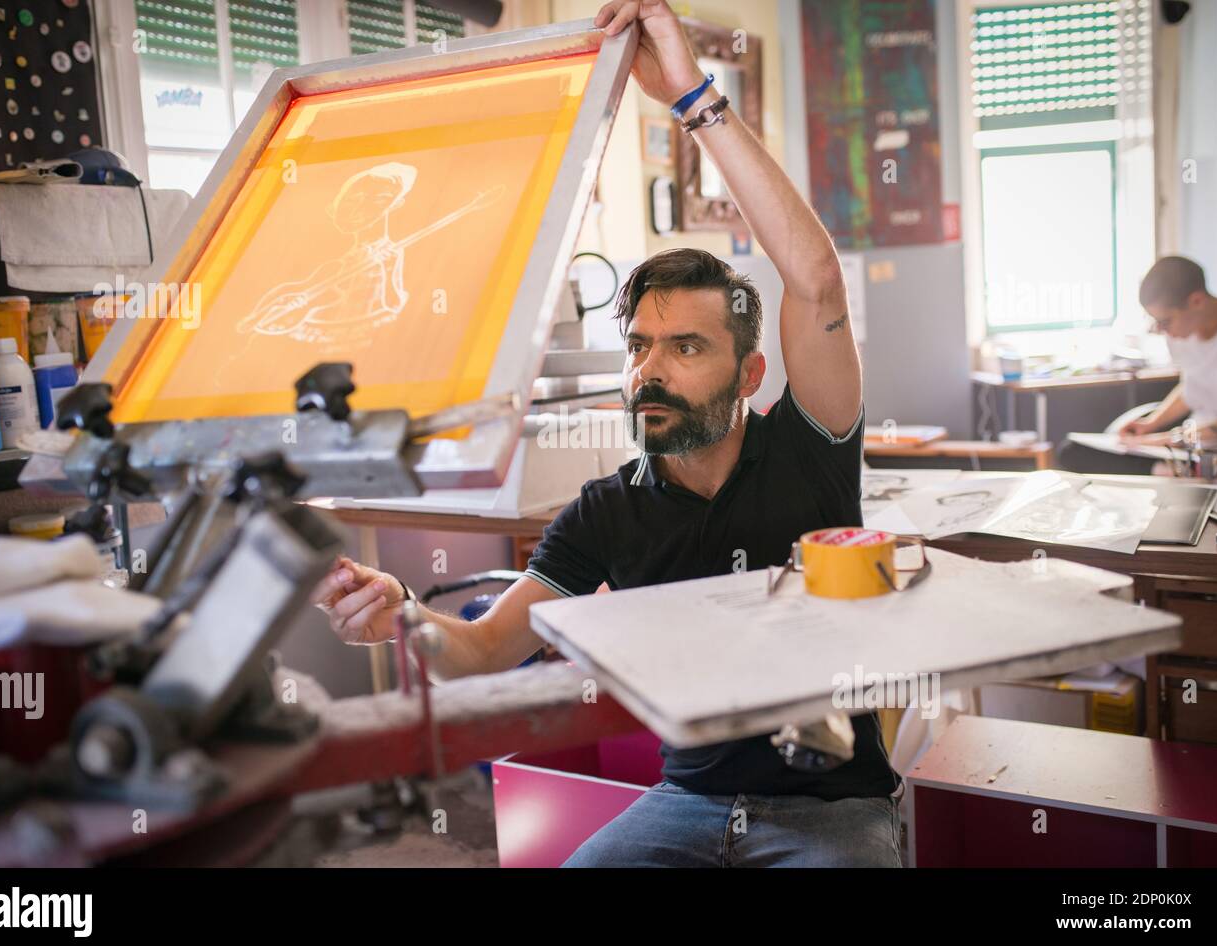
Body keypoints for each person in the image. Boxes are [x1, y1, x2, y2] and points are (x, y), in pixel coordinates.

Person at [311, 0, 902, 868]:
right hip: (685, 804)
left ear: (750, 375)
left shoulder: (808, 450)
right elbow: (476, 651)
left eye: (686, 347)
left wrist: (693, 96)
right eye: (640, 346)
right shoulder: (605, 513)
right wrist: (400, 616)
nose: (649, 371)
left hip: (831, 812)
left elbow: (813, 279)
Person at [1059, 255, 1217, 474]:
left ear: (1197, 301)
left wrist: (1167, 439)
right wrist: (1150, 425)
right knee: (1072, 452)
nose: (1162, 330)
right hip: (1192, 445)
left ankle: (1174, 472)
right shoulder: (1179, 335)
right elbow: (1193, 387)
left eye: (1165, 321)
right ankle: (1170, 471)